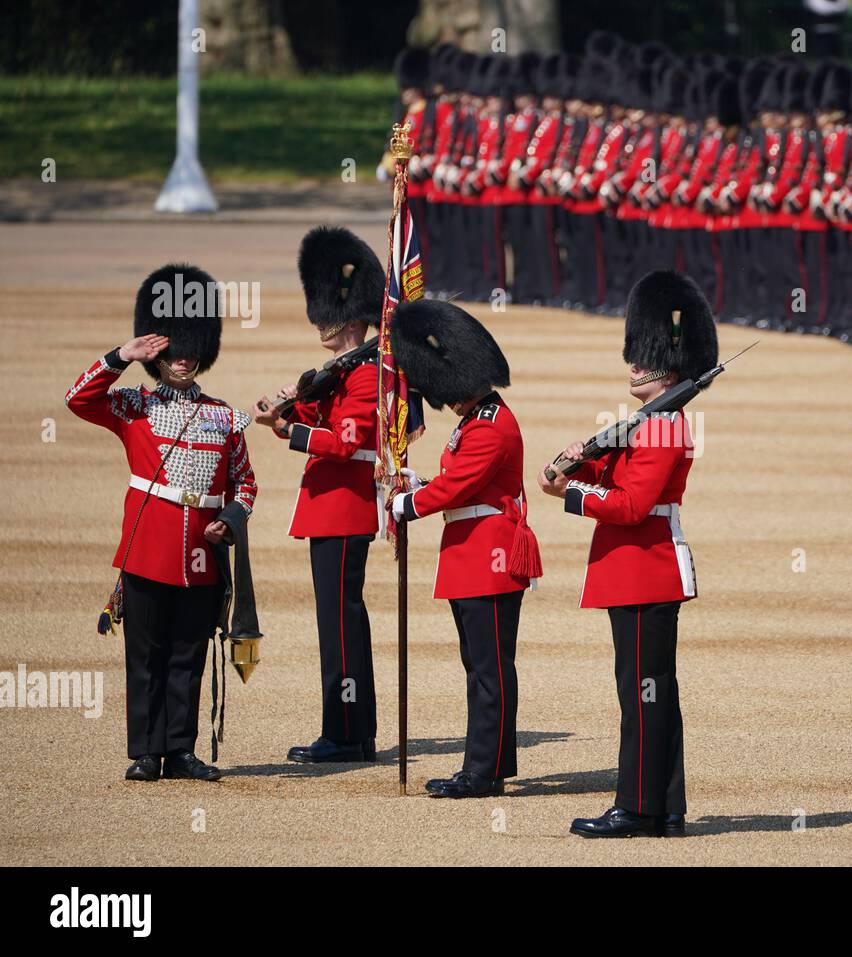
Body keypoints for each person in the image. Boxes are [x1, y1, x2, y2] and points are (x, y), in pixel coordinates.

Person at [537, 270, 717, 838]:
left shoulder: (664, 427)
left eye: (645, 358)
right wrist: (578, 462)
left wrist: (572, 494)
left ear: (669, 365)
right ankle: (663, 807)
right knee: (652, 692)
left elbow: (634, 504)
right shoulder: (646, 424)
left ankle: (637, 808)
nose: (633, 367)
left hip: (647, 570)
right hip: (636, 570)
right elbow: (619, 476)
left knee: (642, 694)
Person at [65, 263, 257, 782]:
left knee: (187, 655)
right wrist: (120, 357)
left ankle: (181, 749)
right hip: (148, 546)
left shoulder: (223, 415)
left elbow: (245, 485)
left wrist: (231, 521)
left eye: (192, 351)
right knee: (145, 654)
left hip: (201, 554)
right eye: (174, 351)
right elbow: (77, 399)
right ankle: (146, 751)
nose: (183, 360)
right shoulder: (133, 405)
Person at [389, 299, 541, 799]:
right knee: (479, 666)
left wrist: (408, 504)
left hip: (489, 556)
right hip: (471, 551)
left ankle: (486, 770)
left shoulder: (492, 425)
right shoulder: (476, 416)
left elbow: (457, 490)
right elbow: (460, 484)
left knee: (489, 669)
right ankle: (482, 764)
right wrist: (419, 481)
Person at [253, 226, 385, 763]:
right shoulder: (339, 373)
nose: (322, 324)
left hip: (344, 509)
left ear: (352, 318)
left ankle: (348, 734)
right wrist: (286, 407)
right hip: (331, 510)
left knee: (341, 625)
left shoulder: (366, 372)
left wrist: (288, 432)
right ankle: (352, 729)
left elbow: (347, 440)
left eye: (330, 315)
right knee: (339, 624)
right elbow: (320, 419)